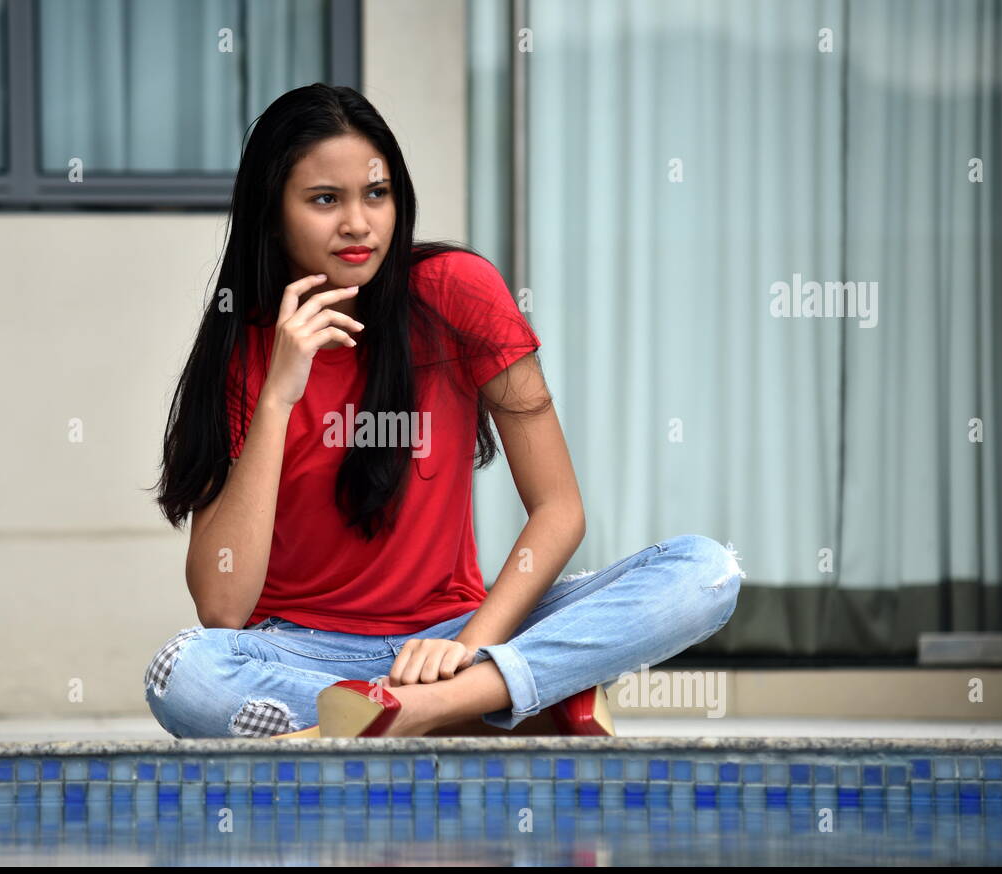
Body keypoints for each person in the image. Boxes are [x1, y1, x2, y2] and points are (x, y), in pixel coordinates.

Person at [144, 83, 741, 738]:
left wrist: (470, 651)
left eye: (377, 194)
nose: (358, 223)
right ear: (273, 215)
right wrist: (279, 395)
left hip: (459, 635)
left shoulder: (458, 292)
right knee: (182, 671)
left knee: (705, 571)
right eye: (324, 200)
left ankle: (434, 707)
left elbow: (559, 508)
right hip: (303, 651)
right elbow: (224, 608)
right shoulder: (242, 344)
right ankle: (502, 704)